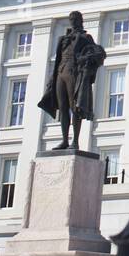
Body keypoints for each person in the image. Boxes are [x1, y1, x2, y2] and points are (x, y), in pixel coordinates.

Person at [38, 11, 106, 151]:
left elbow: (99, 53)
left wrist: (85, 59)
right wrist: (52, 78)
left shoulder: (86, 37)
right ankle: (64, 140)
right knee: (63, 108)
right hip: (61, 72)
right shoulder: (63, 39)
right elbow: (58, 59)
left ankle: (75, 141)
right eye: (71, 19)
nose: (73, 21)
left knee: (74, 106)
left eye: (75, 19)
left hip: (74, 72)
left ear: (81, 20)